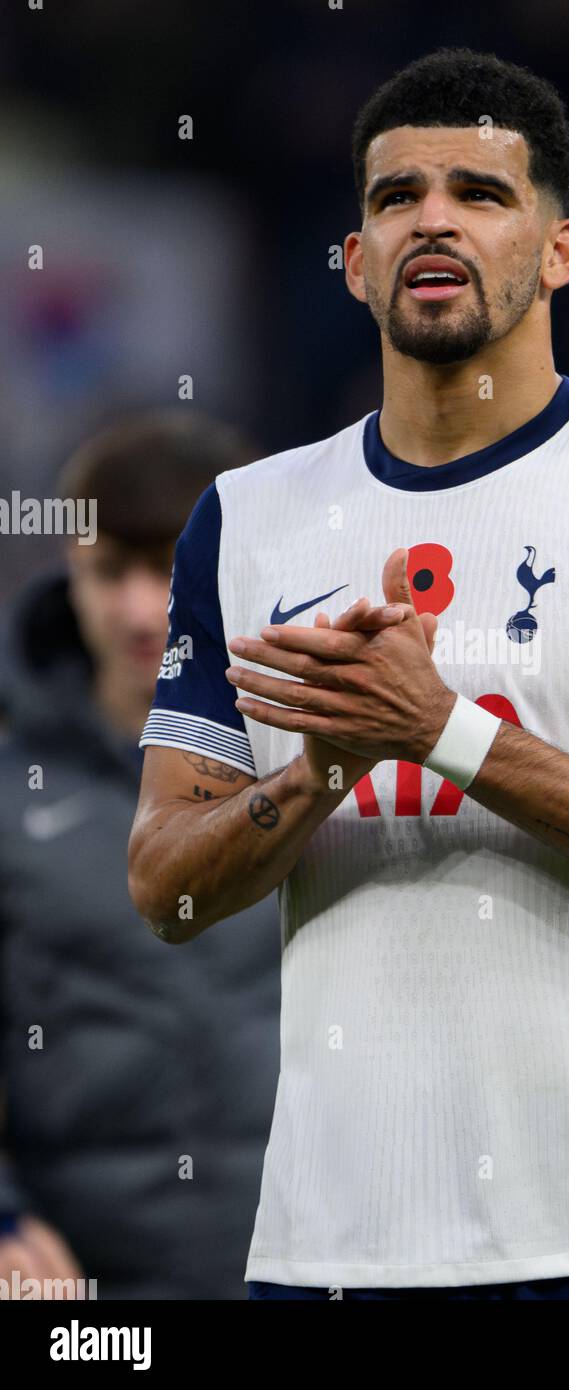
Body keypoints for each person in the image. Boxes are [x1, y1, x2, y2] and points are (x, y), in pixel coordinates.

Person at [129, 48, 569, 1301]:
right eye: (395, 198)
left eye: (478, 193)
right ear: (353, 261)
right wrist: (326, 766)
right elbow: (164, 887)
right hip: (332, 1243)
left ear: (560, 252)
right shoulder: (247, 519)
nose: (430, 218)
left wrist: (443, 731)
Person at [0, 411, 283, 1298]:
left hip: (315, 1268)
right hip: (84, 1293)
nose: (134, 608)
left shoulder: (341, 764)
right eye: (106, 570)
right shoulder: (10, 788)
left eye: (167, 568)